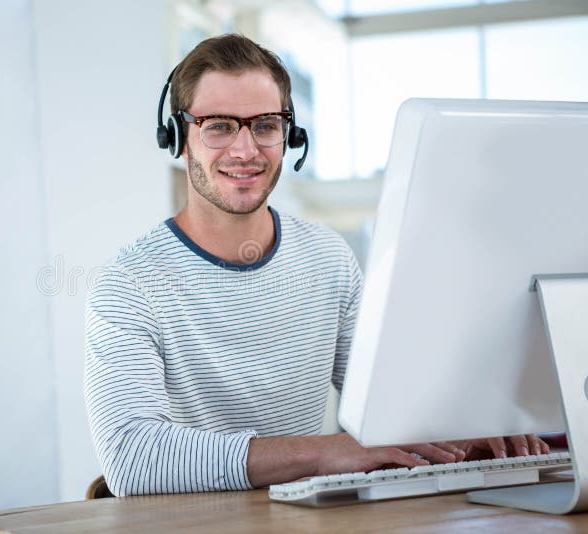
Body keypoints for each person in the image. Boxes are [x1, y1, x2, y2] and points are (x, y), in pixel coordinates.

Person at [84, 34, 548, 497]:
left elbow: (385, 405)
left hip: (299, 520)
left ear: (290, 136)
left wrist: (462, 427)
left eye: (265, 125)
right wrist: (323, 453)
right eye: (219, 126)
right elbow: (131, 458)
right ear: (178, 139)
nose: (246, 150)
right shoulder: (129, 285)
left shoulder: (328, 260)